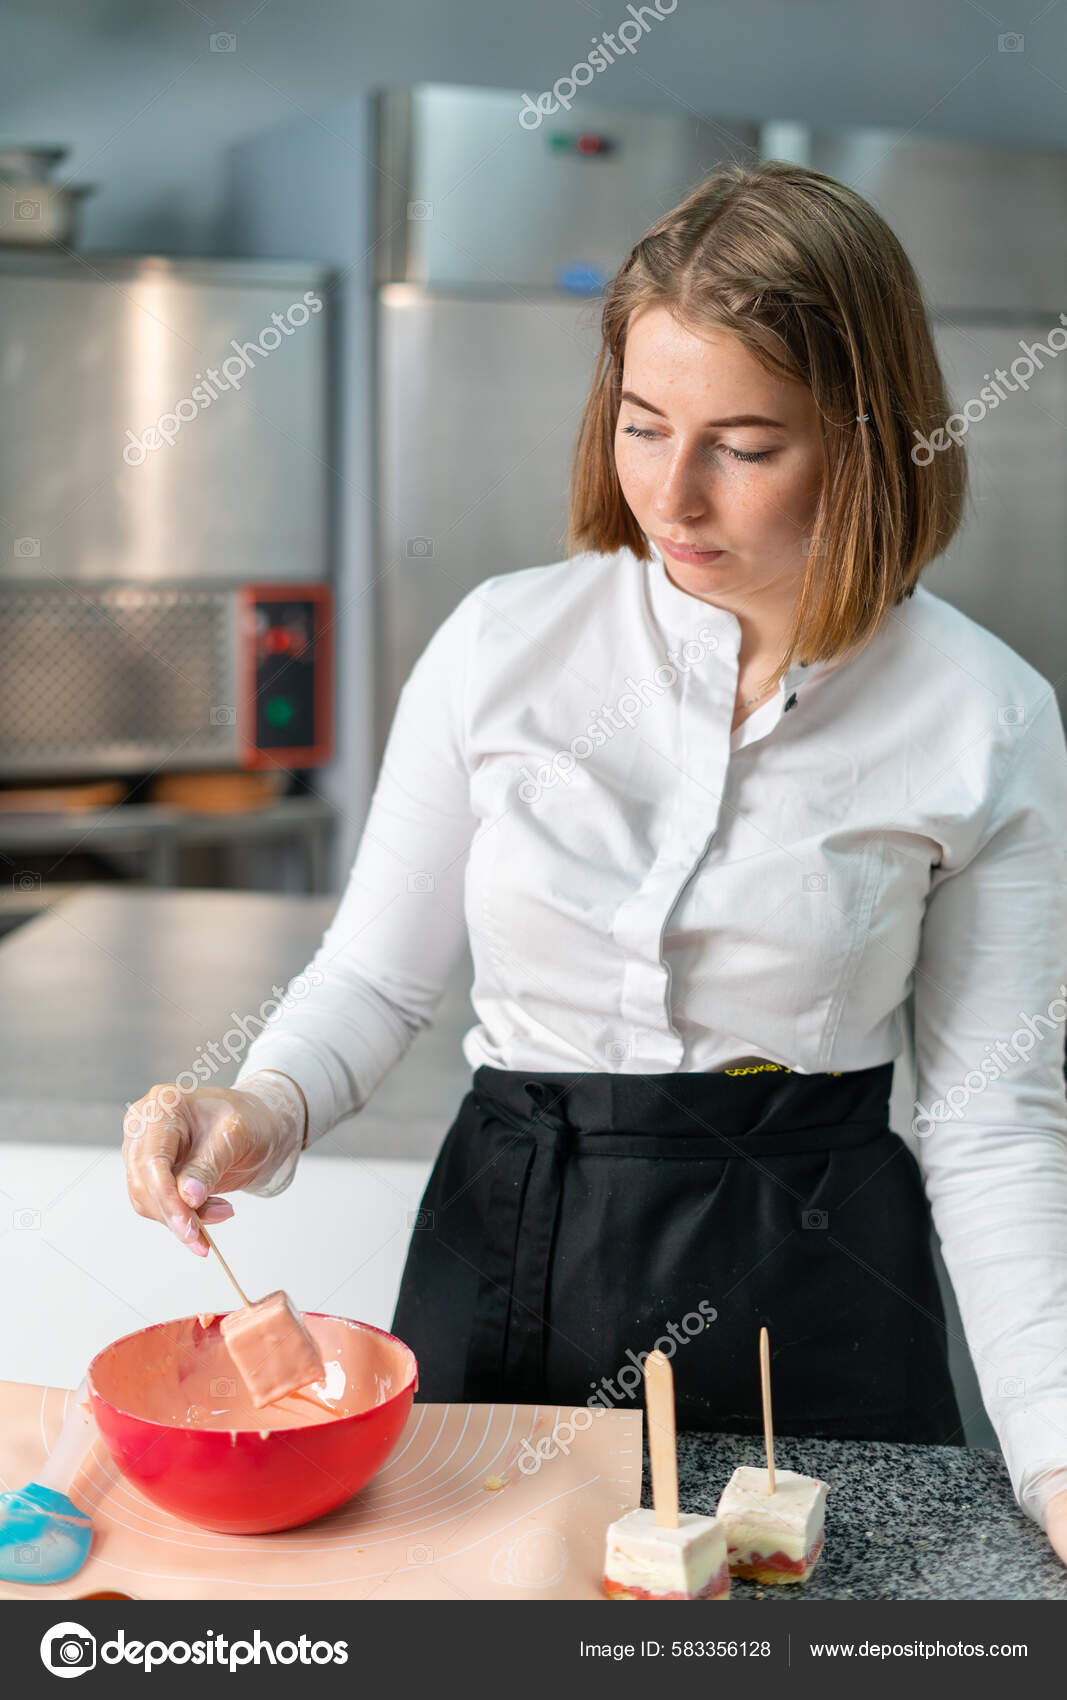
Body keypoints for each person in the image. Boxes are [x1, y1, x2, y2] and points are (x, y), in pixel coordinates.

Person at [123, 160, 1067, 1564]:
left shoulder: (984, 717)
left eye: (745, 446)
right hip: (509, 1252)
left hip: (817, 1279)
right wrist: (259, 1111)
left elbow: (993, 1125)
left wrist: (1056, 1456)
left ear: (871, 441)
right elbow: (376, 980)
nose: (672, 495)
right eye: (641, 425)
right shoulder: (502, 647)